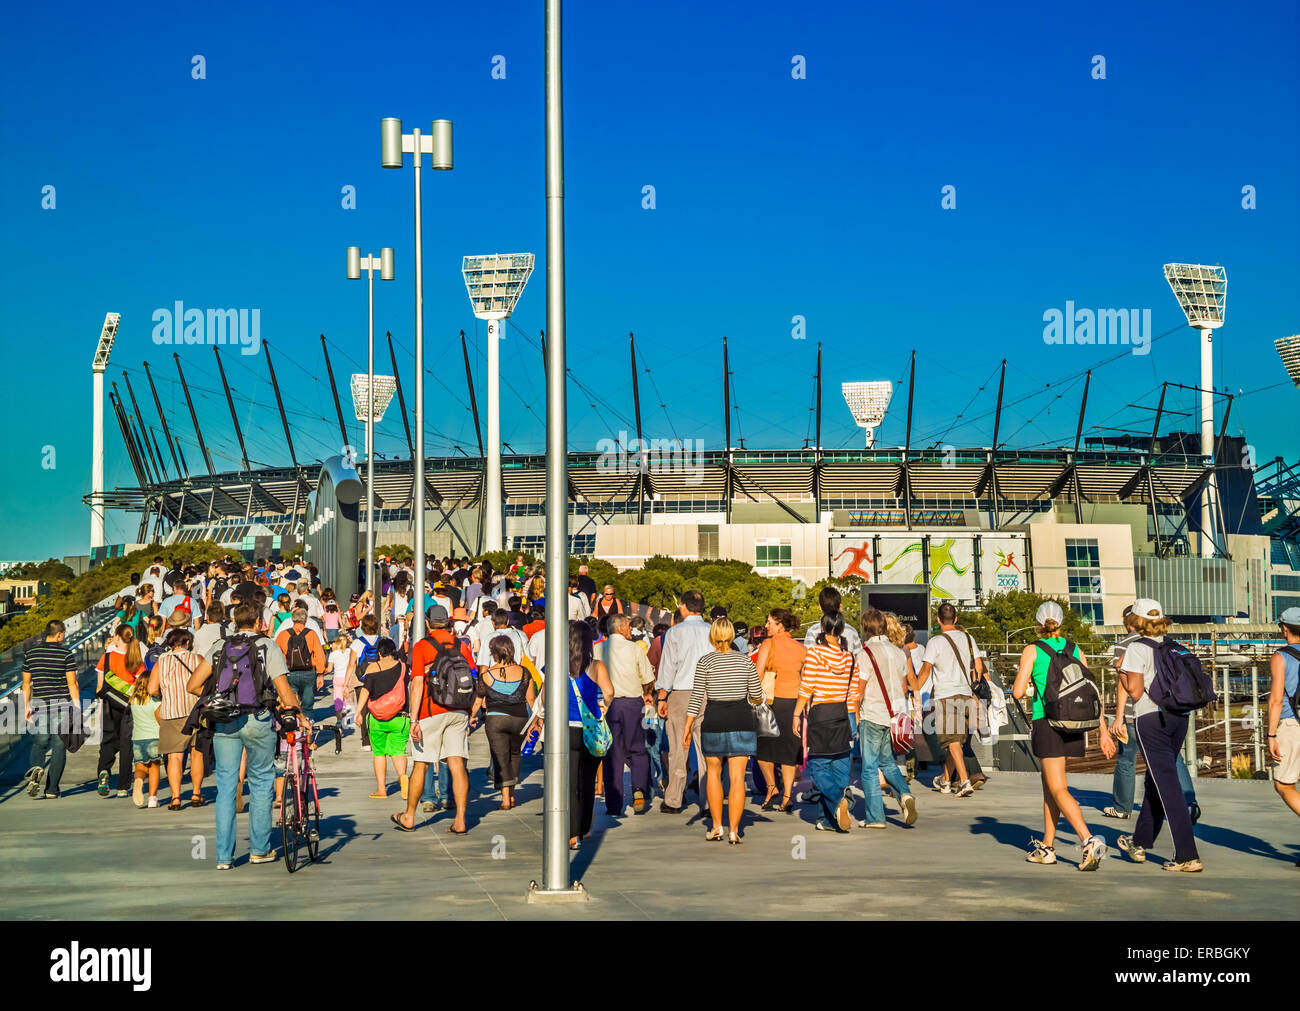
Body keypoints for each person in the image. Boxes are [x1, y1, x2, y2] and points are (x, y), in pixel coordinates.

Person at [185, 601, 306, 869]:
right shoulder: (267, 646)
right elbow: (284, 690)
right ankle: (259, 849)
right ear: (260, 621)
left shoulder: (220, 647)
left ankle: (224, 857)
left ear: (234, 621)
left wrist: (217, 700)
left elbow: (192, 685)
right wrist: (300, 717)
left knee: (226, 786)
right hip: (258, 718)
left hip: (225, 722)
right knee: (262, 782)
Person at [1011, 602, 1112, 869]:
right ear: (1061, 621)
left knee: (1057, 788)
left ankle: (1088, 840)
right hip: (1074, 723)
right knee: (1050, 788)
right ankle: (1047, 846)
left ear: (1038, 621)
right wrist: (1103, 730)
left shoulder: (1032, 649)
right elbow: (1091, 691)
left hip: (1048, 723)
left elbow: (1018, 692)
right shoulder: (1075, 648)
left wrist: (1027, 677)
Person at [1115, 598, 1203, 872]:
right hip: (1179, 718)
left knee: (1168, 786)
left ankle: (1187, 855)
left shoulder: (1137, 648)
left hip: (1150, 719)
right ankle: (1140, 841)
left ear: (1138, 621)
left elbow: (1136, 692)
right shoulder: (1175, 646)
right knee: (1156, 780)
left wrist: (1121, 672)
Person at [1104, 604, 1199, 822]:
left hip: (1137, 713)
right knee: (1174, 759)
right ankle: (1189, 802)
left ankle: (1122, 807)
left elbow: (1126, 687)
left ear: (1129, 622)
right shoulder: (1166, 642)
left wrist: (1119, 717)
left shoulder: (1127, 645)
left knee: (1127, 759)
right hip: (1170, 710)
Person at [394, 605, 477, 834]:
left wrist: (413, 719)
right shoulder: (462, 646)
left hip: (430, 712)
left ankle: (409, 816)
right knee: (457, 763)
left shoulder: (422, 646)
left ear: (428, 623)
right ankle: (460, 820)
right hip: (459, 711)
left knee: (421, 764)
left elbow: (418, 683)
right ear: (449, 623)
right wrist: (471, 711)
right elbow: (472, 677)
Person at [683, 617, 763, 843]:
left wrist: (688, 726)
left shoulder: (705, 662)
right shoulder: (745, 661)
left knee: (713, 774)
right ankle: (734, 830)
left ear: (713, 636)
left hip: (714, 720)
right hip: (741, 720)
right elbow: (756, 694)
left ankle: (717, 826)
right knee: (737, 778)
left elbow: (697, 696)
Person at [537, 620, 614, 850]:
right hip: (588, 730)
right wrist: (603, 707)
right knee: (587, 780)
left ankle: (571, 834)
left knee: (569, 782)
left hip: (563, 730)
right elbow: (609, 692)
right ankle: (584, 828)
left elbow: (543, 699)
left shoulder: (555, 665)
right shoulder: (596, 666)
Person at [794, 611, 862, 832]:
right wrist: (854, 719)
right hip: (843, 713)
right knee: (840, 767)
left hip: (820, 714)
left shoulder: (814, 654)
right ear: (842, 630)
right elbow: (853, 694)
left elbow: (806, 687)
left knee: (818, 767)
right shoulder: (850, 657)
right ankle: (826, 819)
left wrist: (796, 714)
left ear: (822, 629)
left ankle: (838, 799)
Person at [915, 602, 989, 797]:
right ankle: (945, 780)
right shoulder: (968, 637)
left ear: (938, 620)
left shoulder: (935, 642)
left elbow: (925, 670)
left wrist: (912, 686)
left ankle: (964, 780)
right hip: (965, 694)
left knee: (953, 740)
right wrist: (974, 685)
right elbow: (979, 665)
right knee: (954, 741)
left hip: (945, 696)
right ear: (955, 619)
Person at [855, 608, 919, 829]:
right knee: (888, 762)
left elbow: (860, 689)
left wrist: (854, 713)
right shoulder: (898, 652)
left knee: (870, 768)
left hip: (872, 713)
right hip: (895, 715)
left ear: (866, 628)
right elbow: (903, 685)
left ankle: (875, 817)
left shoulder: (865, 653)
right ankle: (905, 794)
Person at [655, 590, 715, 814]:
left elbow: (668, 666)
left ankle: (674, 799)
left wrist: (662, 696)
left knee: (678, 747)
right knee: (706, 749)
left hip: (681, 692)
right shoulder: (711, 631)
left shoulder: (675, 632)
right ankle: (709, 799)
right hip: (708, 693)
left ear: (684, 607)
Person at [470, 635, 536, 810]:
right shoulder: (524, 672)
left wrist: (470, 717)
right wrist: (537, 721)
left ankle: (506, 798)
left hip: (496, 719)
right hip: (520, 719)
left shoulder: (486, 675)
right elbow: (531, 700)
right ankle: (512, 794)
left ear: (494, 653)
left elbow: (478, 701)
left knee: (500, 757)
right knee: (515, 754)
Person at [600, 614, 656, 815]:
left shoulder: (599, 649)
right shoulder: (634, 649)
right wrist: (648, 695)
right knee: (638, 749)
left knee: (612, 753)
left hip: (606, 705)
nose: (631, 630)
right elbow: (647, 678)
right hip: (633, 702)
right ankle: (639, 789)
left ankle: (614, 804)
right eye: (629, 627)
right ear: (622, 628)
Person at [20, 620, 80, 800]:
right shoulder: (65, 654)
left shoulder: (31, 654)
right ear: (60, 634)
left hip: (39, 705)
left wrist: (26, 707)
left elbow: (26, 684)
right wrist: (76, 706)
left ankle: (37, 768)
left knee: (39, 743)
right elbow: (72, 683)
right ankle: (52, 789)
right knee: (58, 748)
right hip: (62, 705)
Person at [753, 607, 805, 813]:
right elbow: (805, 679)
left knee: (763, 748)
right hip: (793, 702)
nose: (766, 626)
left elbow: (758, 673)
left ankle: (771, 787)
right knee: (789, 751)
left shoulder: (768, 643)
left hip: (771, 700)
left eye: (769, 622)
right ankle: (787, 796)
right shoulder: (802, 649)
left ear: (779, 624)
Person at [149, 627, 206, 810]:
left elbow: (151, 689)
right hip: (195, 712)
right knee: (197, 754)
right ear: (187, 642)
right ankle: (196, 794)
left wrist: (165, 695)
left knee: (174, 757)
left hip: (171, 712)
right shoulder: (197, 659)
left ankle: (175, 798)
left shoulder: (161, 663)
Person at [356, 637, 411, 800]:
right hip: (400, 716)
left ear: (379, 652)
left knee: (379, 753)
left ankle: (381, 789)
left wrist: (358, 711)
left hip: (377, 718)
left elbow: (365, 691)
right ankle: (403, 778)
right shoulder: (404, 667)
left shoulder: (373, 667)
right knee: (398, 751)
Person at [95, 625, 146, 798]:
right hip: (129, 707)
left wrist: (99, 708)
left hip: (109, 705)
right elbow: (141, 687)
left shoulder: (106, 657)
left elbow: (100, 687)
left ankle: (104, 770)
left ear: (117, 637)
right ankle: (123, 786)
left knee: (108, 740)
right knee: (127, 745)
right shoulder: (136, 659)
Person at [1266, 607, 1300, 861]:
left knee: (1285, 784)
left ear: (1284, 628)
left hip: (1291, 725)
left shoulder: (1281, 656)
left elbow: (1276, 699)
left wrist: (1271, 735)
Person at [276, 607, 327, 717]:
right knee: (307, 705)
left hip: (290, 672)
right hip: (308, 673)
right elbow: (319, 654)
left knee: (291, 704)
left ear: (292, 619)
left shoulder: (283, 635)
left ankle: (294, 725)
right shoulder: (311, 634)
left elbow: (277, 655)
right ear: (306, 619)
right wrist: (321, 674)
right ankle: (308, 726)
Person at [129, 668, 163, 808]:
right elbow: (160, 720)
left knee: (141, 767)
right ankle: (152, 799)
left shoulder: (134, 701)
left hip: (137, 738)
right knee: (154, 767)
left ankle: (138, 780)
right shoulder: (155, 702)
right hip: (154, 737)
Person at [803, 585, 861, 651]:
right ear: (840, 606)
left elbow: (807, 655)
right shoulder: (852, 631)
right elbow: (858, 658)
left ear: (820, 607)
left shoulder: (812, 631)